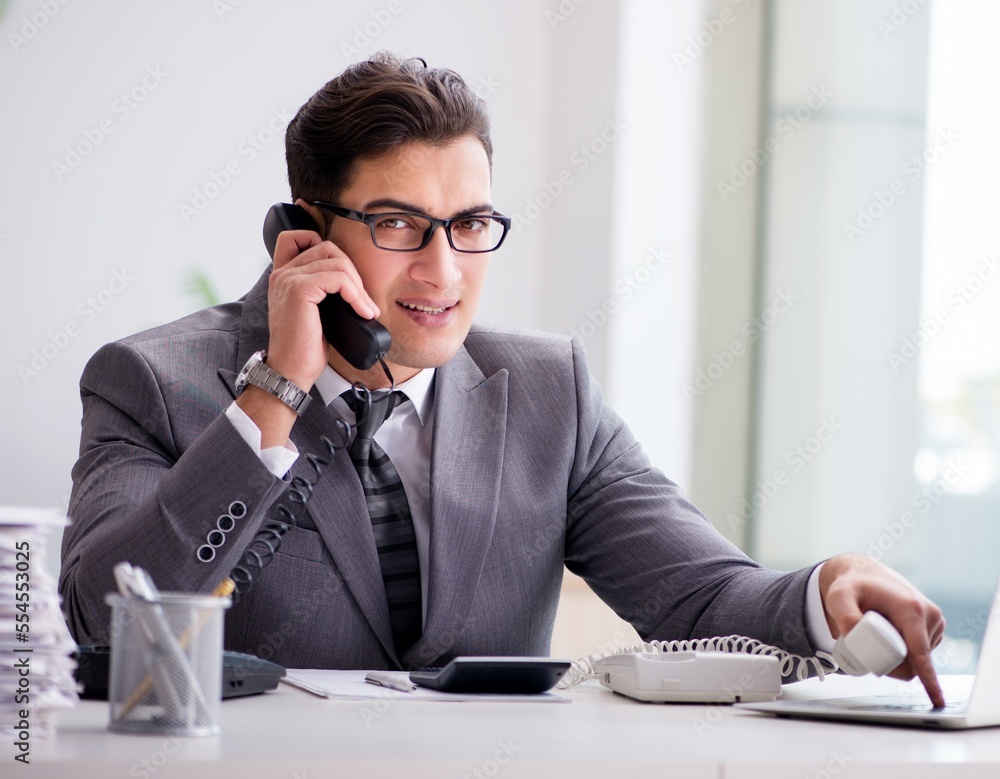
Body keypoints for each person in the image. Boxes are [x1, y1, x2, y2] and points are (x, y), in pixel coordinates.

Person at [59, 52, 945, 705]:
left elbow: (700, 594)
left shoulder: (548, 390)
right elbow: (106, 620)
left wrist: (825, 595)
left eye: (471, 222)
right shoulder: (154, 381)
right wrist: (275, 398)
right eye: (400, 223)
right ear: (304, 231)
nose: (444, 271)